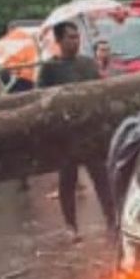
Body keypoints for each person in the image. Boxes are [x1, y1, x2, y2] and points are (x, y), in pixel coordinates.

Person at [38, 22, 115, 240]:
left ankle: (111, 221)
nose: (75, 41)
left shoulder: (88, 64)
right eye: (70, 37)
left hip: (90, 132)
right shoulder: (49, 68)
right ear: (59, 41)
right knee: (67, 181)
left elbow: (101, 94)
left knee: (102, 179)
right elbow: (40, 100)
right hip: (66, 135)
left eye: (77, 37)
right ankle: (71, 227)